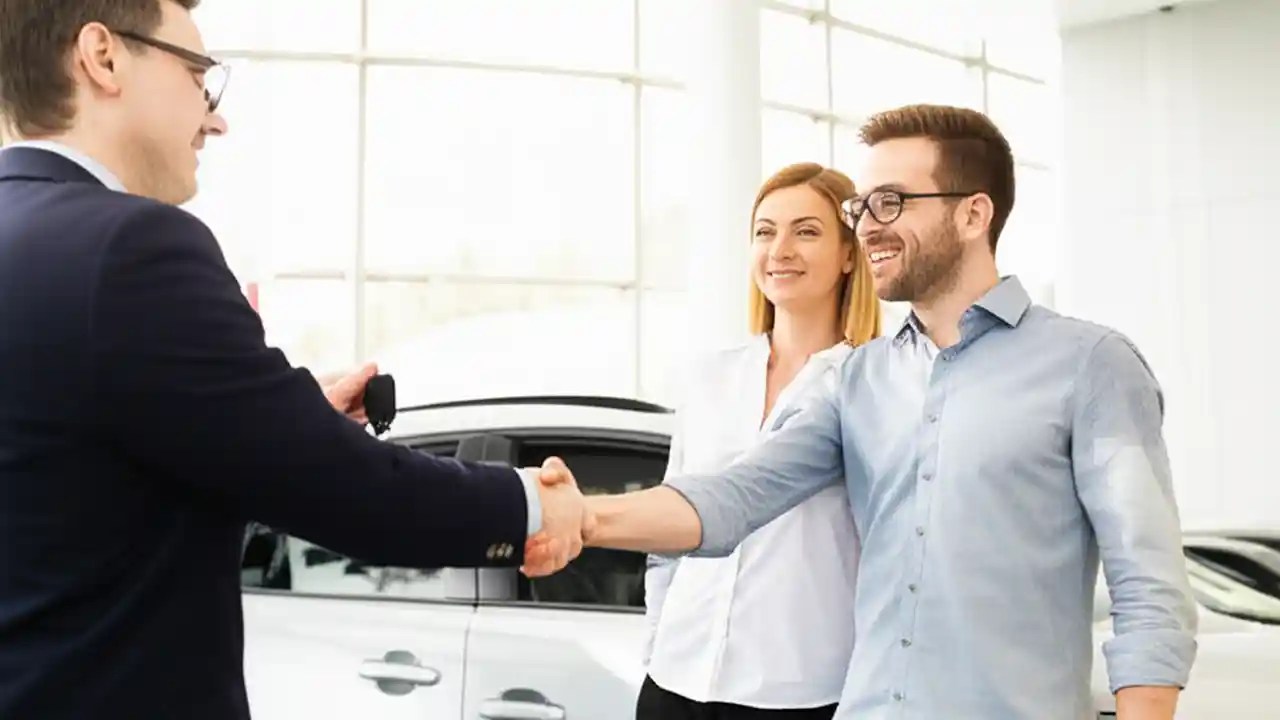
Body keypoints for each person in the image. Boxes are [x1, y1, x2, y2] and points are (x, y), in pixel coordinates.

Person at [0, 2, 587, 718]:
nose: (215, 119)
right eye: (198, 77)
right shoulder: (134, 247)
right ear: (103, 57)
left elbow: (78, 487)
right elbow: (342, 488)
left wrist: (280, 410)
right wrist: (531, 504)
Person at [526, 104, 1198, 720]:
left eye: (891, 202)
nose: (870, 223)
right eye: (862, 207)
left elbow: (1149, 590)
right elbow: (738, 496)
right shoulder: (857, 380)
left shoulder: (1089, 365)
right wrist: (586, 515)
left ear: (973, 214)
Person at [638, 162, 880, 720]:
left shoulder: (876, 385)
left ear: (850, 254)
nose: (780, 249)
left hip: (800, 693)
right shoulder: (708, 378)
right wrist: (655, 644)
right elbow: (670, 530)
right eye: (765, 231)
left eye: (807, 230)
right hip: (676, 680)